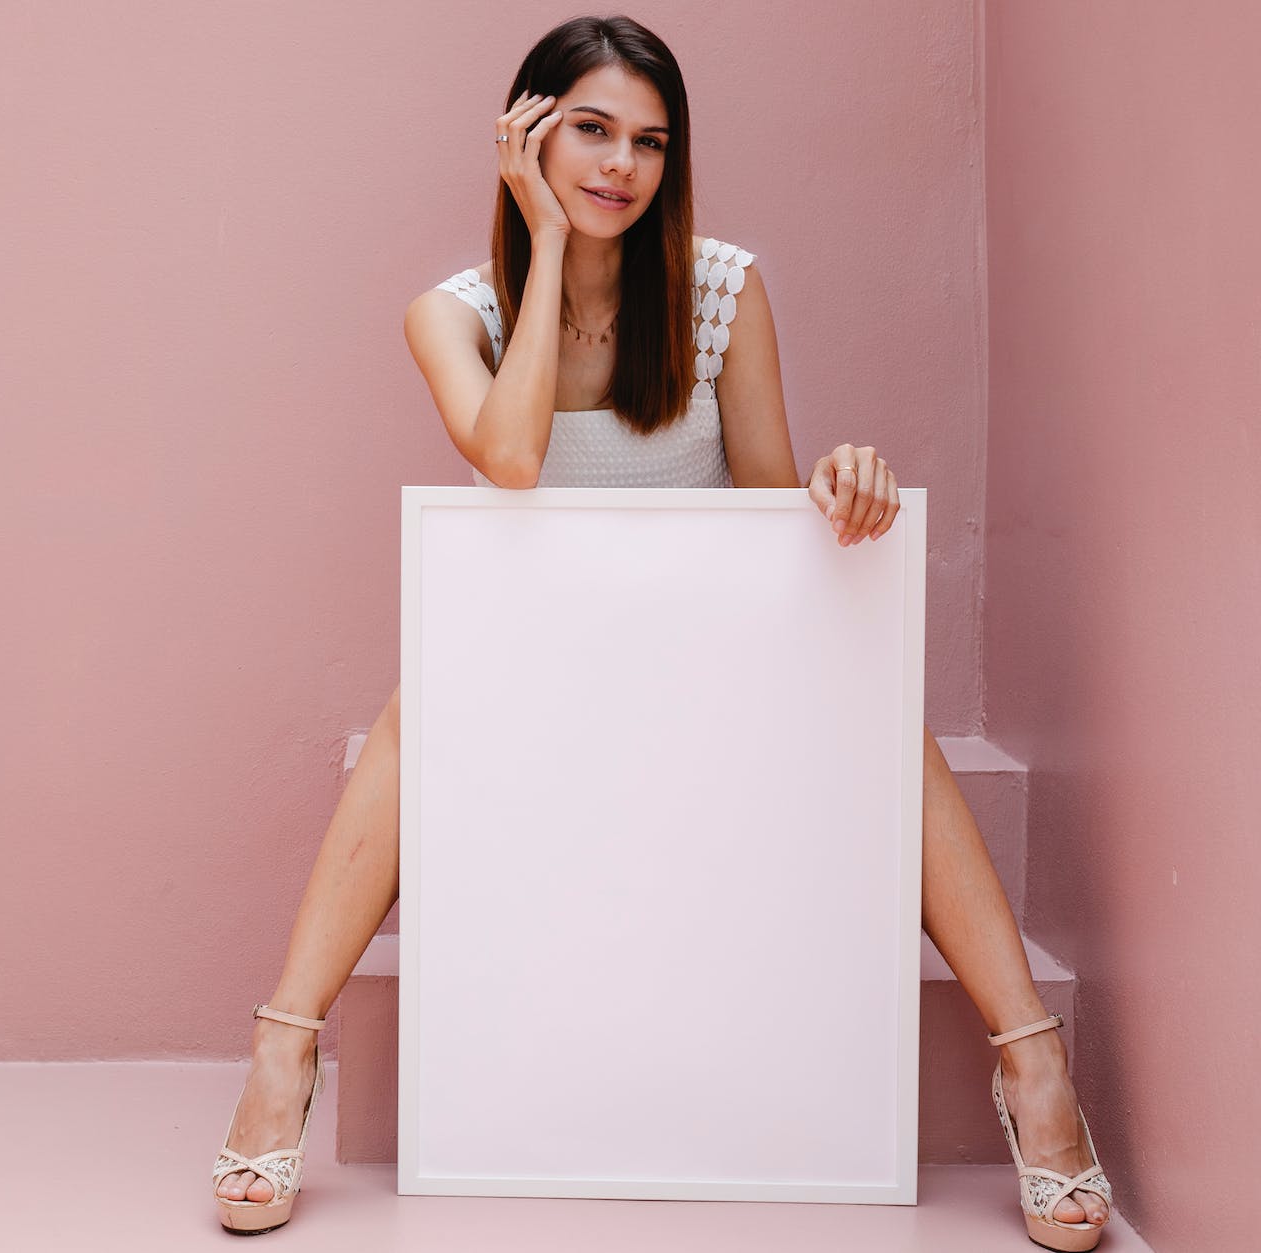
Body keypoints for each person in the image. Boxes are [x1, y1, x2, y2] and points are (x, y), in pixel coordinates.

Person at [210, 15, 1115, 1248]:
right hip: (538, 687)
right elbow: (513, 459)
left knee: (873, 713)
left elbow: (763, 534)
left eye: (648, 141)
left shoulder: (721, 293)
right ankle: (281, 1051)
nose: (619, 166)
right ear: (524, 133)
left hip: (701, 680)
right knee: (421, 709)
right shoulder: (450, 314)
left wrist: (835, 492)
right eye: (588, 129)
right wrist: (538, 236)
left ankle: (1033, 1070)